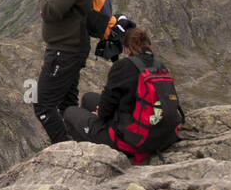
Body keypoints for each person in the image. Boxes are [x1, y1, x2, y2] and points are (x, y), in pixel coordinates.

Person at [63, 26, 184, 163]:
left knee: (70, 113)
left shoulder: (124, 66)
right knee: (88, 98)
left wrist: (100, 114)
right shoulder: (160, 66)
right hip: (162, 134)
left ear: (126, 48)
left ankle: (86, 159)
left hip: (132, 140)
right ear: (148, 45)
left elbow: (104, 111)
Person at [34, 0, 93, 144]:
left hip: (65, 51)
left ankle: (66, 148)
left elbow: (50, 12)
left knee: (42, 105)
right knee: (66, 103)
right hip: (63, 49)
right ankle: (79, 143)